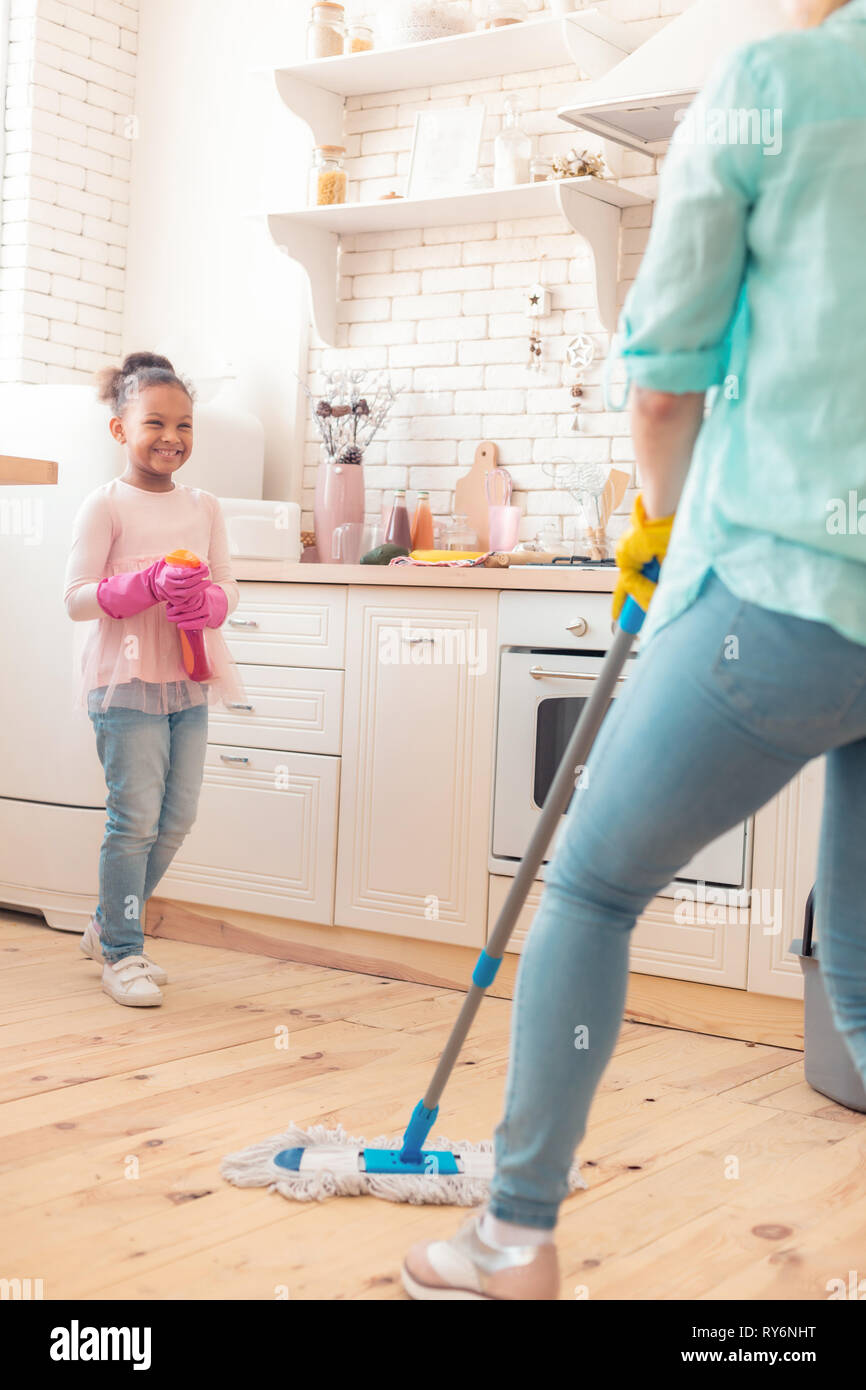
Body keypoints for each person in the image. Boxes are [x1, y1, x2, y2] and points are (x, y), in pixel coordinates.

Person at [402, 0, 866, 1299]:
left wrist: (653, 529)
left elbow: (664, 379)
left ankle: (509, 1237)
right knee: (863, 979)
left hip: (778, 585)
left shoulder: (776, 80)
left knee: (595, 886)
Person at [64, 352, 244, 1008]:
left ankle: (110, 923)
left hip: (190, 675)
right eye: (155, 422)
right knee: (134, 819)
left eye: (185, 425)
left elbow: (227, 585)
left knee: (177, 817)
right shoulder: (105, 504)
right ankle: (121, 952)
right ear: (120, 429)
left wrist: (211, 606)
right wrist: (142, 585)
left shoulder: (205, 505)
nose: (173, 436)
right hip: (125, 679)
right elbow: (77, 598)